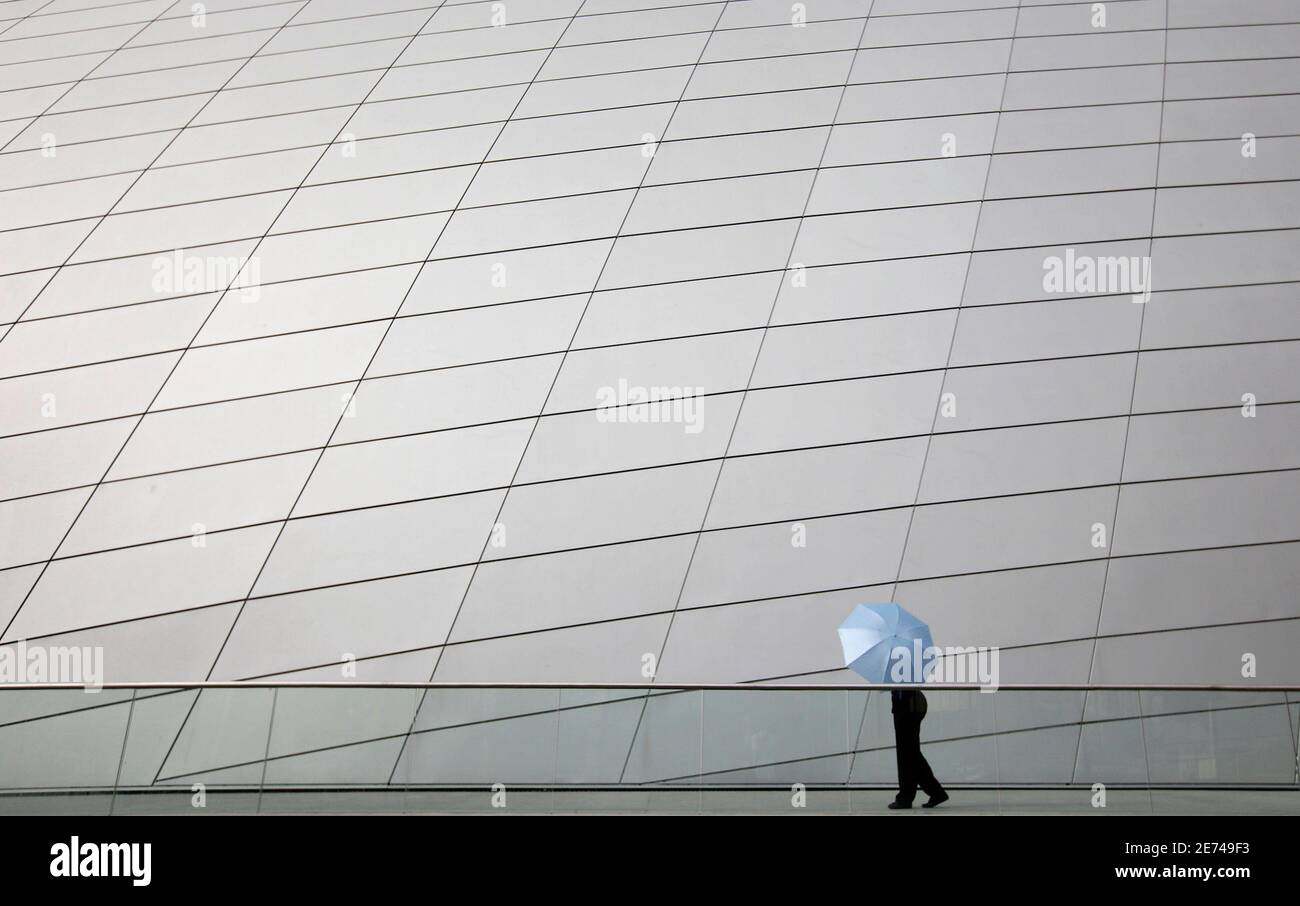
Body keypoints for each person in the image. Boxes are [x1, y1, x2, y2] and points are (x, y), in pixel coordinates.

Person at [888, 688, 949, 809]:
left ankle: (906, 797)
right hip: (906, 706)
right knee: (911, 755)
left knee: (907, 755)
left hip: (907, 707)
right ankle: (936, 792)